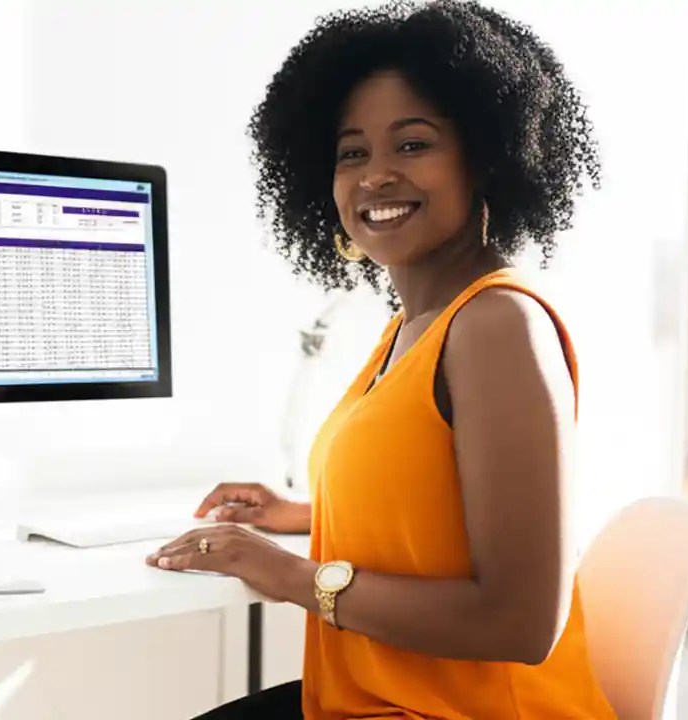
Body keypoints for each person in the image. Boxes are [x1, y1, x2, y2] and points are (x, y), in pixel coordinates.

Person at [145, 2, 613, 718]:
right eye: (353, 152)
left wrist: (290, 574)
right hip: (377, 700)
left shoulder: (496, 326)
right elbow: (435, 502)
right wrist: (299, 514)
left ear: (486, 157)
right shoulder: (412, 327)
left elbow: (521, 622)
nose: (376, 176)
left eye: (414, 144)